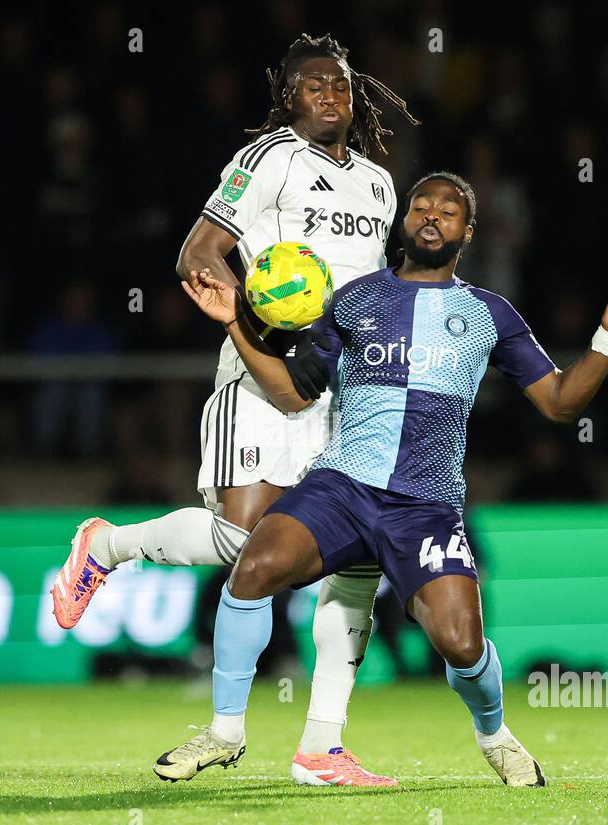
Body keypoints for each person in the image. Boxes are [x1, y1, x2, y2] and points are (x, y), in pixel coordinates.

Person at [178, 172, 608, 786]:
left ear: (467, 232)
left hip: (424, 506)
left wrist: (606, 338)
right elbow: (294, 393)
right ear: (404, 223)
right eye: (421, 206)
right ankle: (224, 733)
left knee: (460, 644)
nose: (431, 216)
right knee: (255, 567)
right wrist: (234, 323)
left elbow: (559, 403)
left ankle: (494, 735)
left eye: (448, 211)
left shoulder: (488, 313)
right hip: (343, 486)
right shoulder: (350, 300)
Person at [51, 35, 420, 786]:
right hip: (261, 372)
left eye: (340, 84)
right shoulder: (267, 159)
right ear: (287, 99)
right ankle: (109, 548)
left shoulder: (381, 185)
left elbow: (377, 294)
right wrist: (261, 319)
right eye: (312, 85)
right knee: (245, 540)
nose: (329, 94)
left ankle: (323, 746)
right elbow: (198, 254)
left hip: (347, 386)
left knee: (354, 556)